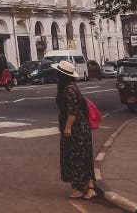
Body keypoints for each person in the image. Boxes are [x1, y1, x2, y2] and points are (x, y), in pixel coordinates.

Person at [54, 60, 97, 200]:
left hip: (76, 129)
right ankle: (88, 187)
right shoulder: (70, 87)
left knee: (78, 157)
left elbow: (73, 111)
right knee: (83, 157)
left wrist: (67, 127)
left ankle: (82, 188)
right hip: (78, 127)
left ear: (62, 75)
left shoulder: (69, 89)